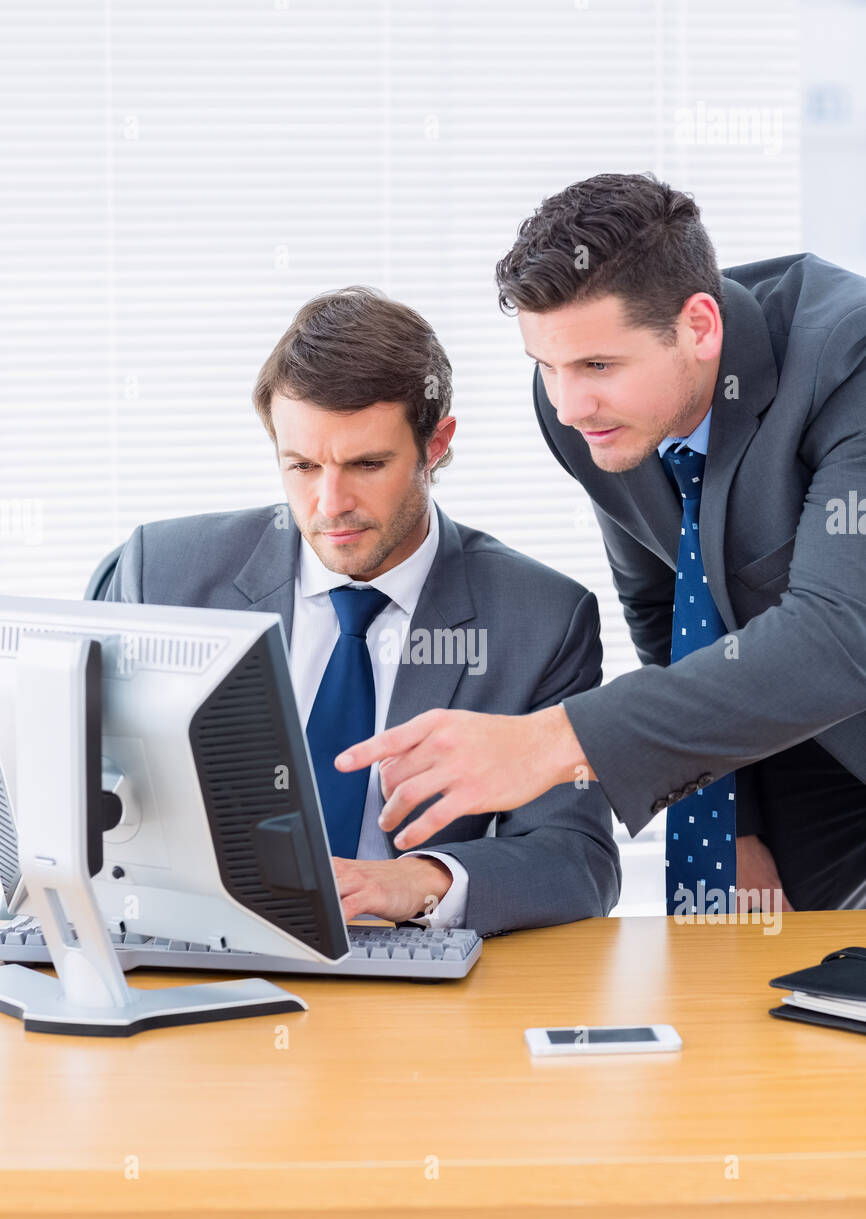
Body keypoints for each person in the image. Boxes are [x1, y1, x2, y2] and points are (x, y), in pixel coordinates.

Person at [337, 174, 866, 913]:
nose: (566, 404)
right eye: (545, 366)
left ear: (701, 327)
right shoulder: (583, 413)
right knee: (763, 1000)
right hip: (783, 741)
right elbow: (664, 603)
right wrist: (730, 820)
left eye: (597, 367)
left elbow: (840, 636)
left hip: (835, 675)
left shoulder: (851, 357)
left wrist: (550, 741)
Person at [105, 286, 620, 936]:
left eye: (367, 464)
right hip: (198, 949)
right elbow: (86, 787)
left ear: (436, 444)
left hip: (402, 970)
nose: (329, 504)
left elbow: (576, 861)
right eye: (300, 465)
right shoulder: (165, 572)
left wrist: (419, 882)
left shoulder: (541, 620)